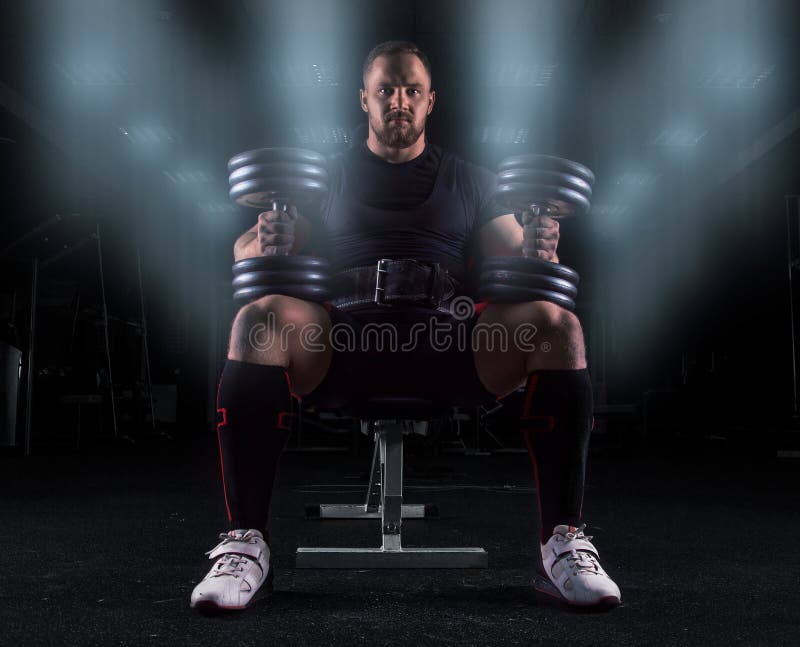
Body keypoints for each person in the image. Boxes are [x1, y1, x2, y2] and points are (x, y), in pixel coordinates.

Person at [190, 41, 621, 611]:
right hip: (342, 345)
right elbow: (248, 253)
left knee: (557, 325)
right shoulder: (323, 179)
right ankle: (245, 545)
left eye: (412, 90)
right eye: (387, 89)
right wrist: (266, 240)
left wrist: (539, 248)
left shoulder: (471, 180)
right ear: (363, 100)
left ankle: (561, 544)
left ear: (431, 101)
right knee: (257, 318)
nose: (400, 101)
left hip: (448, 344)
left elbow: (514, 255)